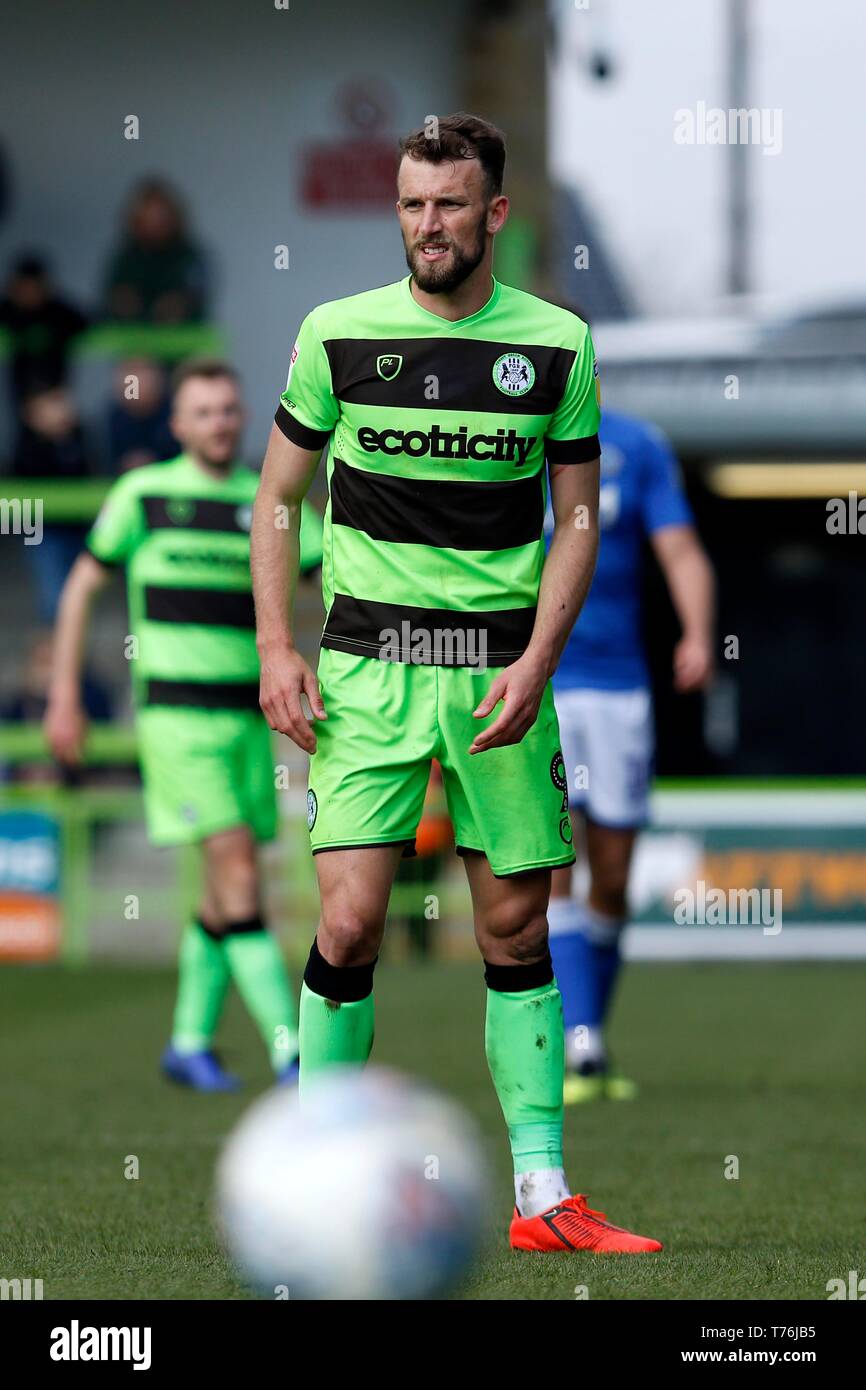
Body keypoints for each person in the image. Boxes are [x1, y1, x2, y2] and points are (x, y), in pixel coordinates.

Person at [251, 113, 662, 1253]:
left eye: (446, 204)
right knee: (349, 919)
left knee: (515, 925)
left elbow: (576, 516)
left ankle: (542, 1196)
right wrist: (277, 648)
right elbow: (277, 498)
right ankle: (305, 1158)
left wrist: (539, 659)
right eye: (409, 204)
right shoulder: (335, 333)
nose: (425, 225)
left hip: (496, 676)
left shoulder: (559, 345)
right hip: (367, 670)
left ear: (495, 213)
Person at [44, 359, 324, 1092]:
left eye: (230, 410)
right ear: (176, 425)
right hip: (176, 724)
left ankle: (188, 1043)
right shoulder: (144, 495)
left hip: (246, 724)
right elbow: (80, 590)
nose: (220, 423)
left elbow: (336, 582)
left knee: (221, 890)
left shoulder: (270, 503)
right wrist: (64, 695)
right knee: (237, 870)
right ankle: (293, 1054)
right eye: (204, 412)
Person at [546, 409, 716, 1104]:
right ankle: (579, 1043)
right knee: (552, 863)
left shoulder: (636, 443)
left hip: (619, 688)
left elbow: (679, 548)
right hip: (533, 680)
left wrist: (699, 634)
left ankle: (589, 1031)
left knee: (610, 874)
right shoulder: (505, 433)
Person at [102, 180, 208, 324]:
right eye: (147, 217)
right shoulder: (127, 256)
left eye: (159, 217)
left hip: (181, 338)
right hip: (133, 337)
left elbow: (198, 299)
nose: (153, 225)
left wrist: (179, 305)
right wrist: (123, 304)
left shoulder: (188, 257)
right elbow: (113, 297)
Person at [0, 254, 88, 414]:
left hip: (56, 393)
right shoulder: (8, 311)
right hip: (22, 395)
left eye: (33, 286)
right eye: (23, 287)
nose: (28, 293)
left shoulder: (59, 311)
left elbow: (87, 322)